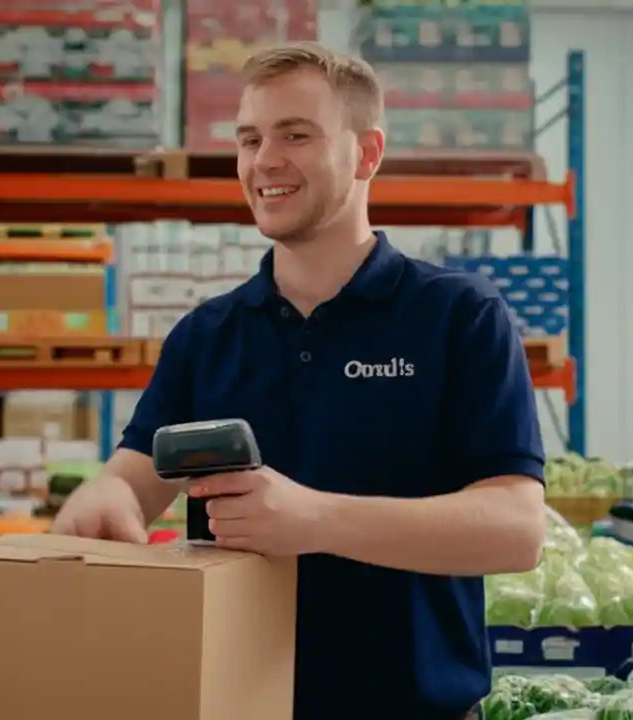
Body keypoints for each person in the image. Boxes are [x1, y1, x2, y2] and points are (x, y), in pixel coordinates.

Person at [51, 41, 548, 720]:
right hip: (230, 704)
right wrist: (104, 496)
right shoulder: (207, 335)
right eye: (250, 139)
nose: (264, 161)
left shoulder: (458, 317)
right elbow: (132, 477)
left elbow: (516, 530)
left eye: (296, 135)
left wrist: (314, 518)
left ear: (367, 153)